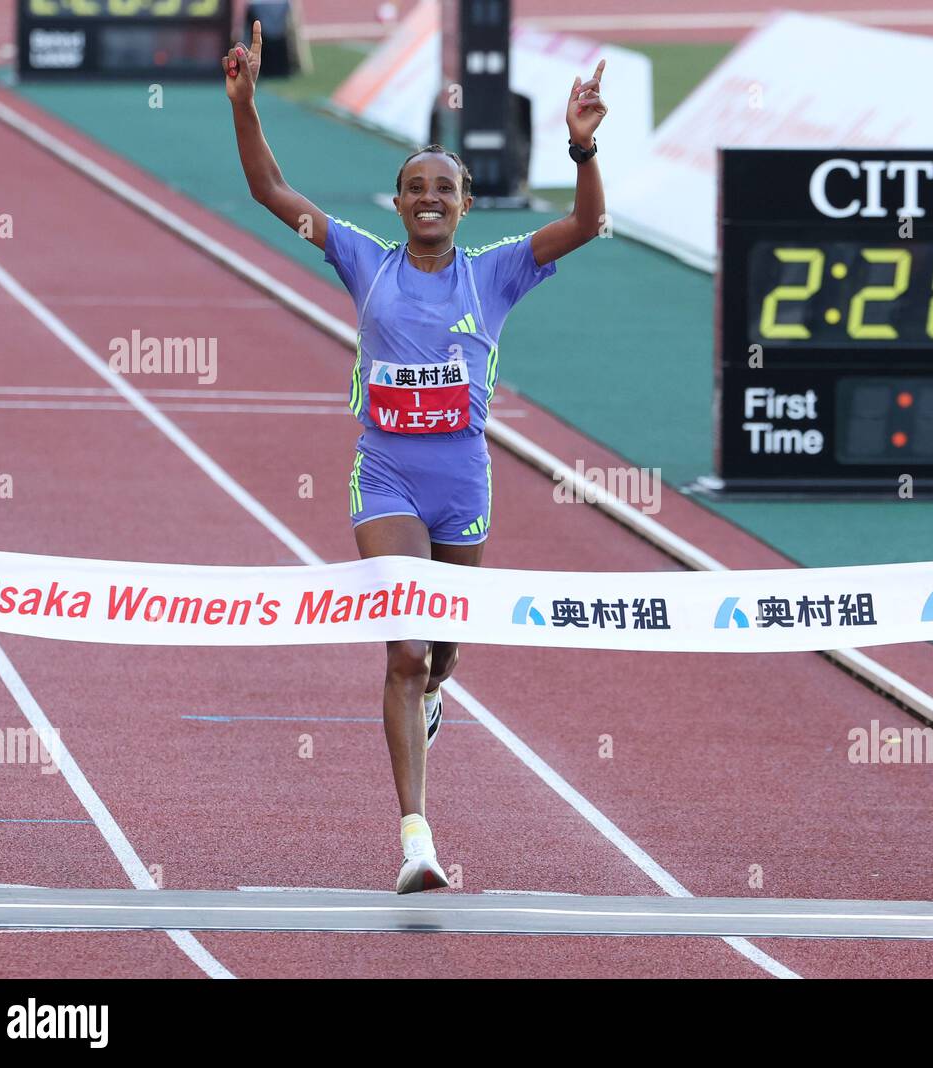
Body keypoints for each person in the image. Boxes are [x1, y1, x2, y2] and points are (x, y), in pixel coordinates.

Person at [224, 22, 607, 892]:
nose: (429, 198)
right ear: (396, 204)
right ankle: (416, 841)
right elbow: (270, 189)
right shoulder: (362, 260)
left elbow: (588, 223)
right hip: (388, 476)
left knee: (441, 655)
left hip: (461, 483)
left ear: (465, 204)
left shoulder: (497, 272)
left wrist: (582, 147)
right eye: (415, 188)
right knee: (403, 650)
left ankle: (436, 691)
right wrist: (246, 105)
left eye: (444, 188)